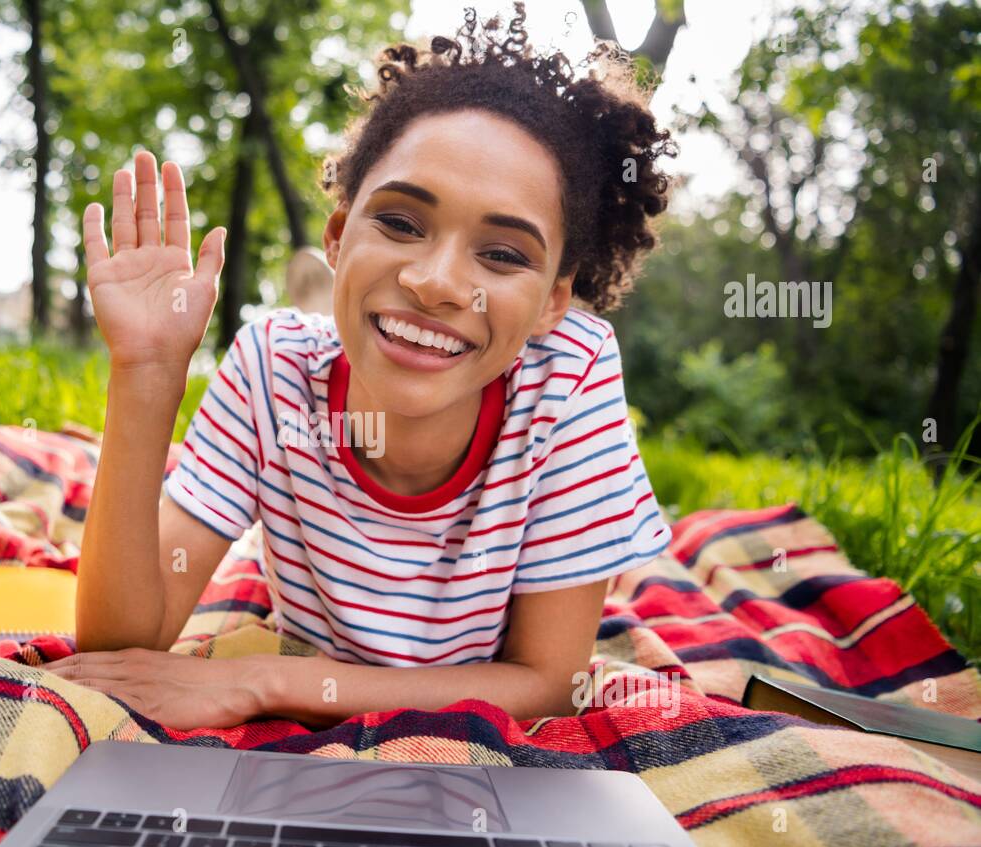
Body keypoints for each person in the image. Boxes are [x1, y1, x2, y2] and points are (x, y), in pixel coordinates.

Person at [44, 3, 679, 731]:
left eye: (502, 254)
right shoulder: (269, 369)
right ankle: (335, 309)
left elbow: (546, 681)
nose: (438, 280)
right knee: (336, 331)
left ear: (551, 303)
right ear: (340, 233)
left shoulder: (571, 374)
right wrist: (147, 371)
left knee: (393, 315)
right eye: (401, 224)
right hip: (324, 344)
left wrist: (266, 682)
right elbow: (123, 655)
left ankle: (344, 308)